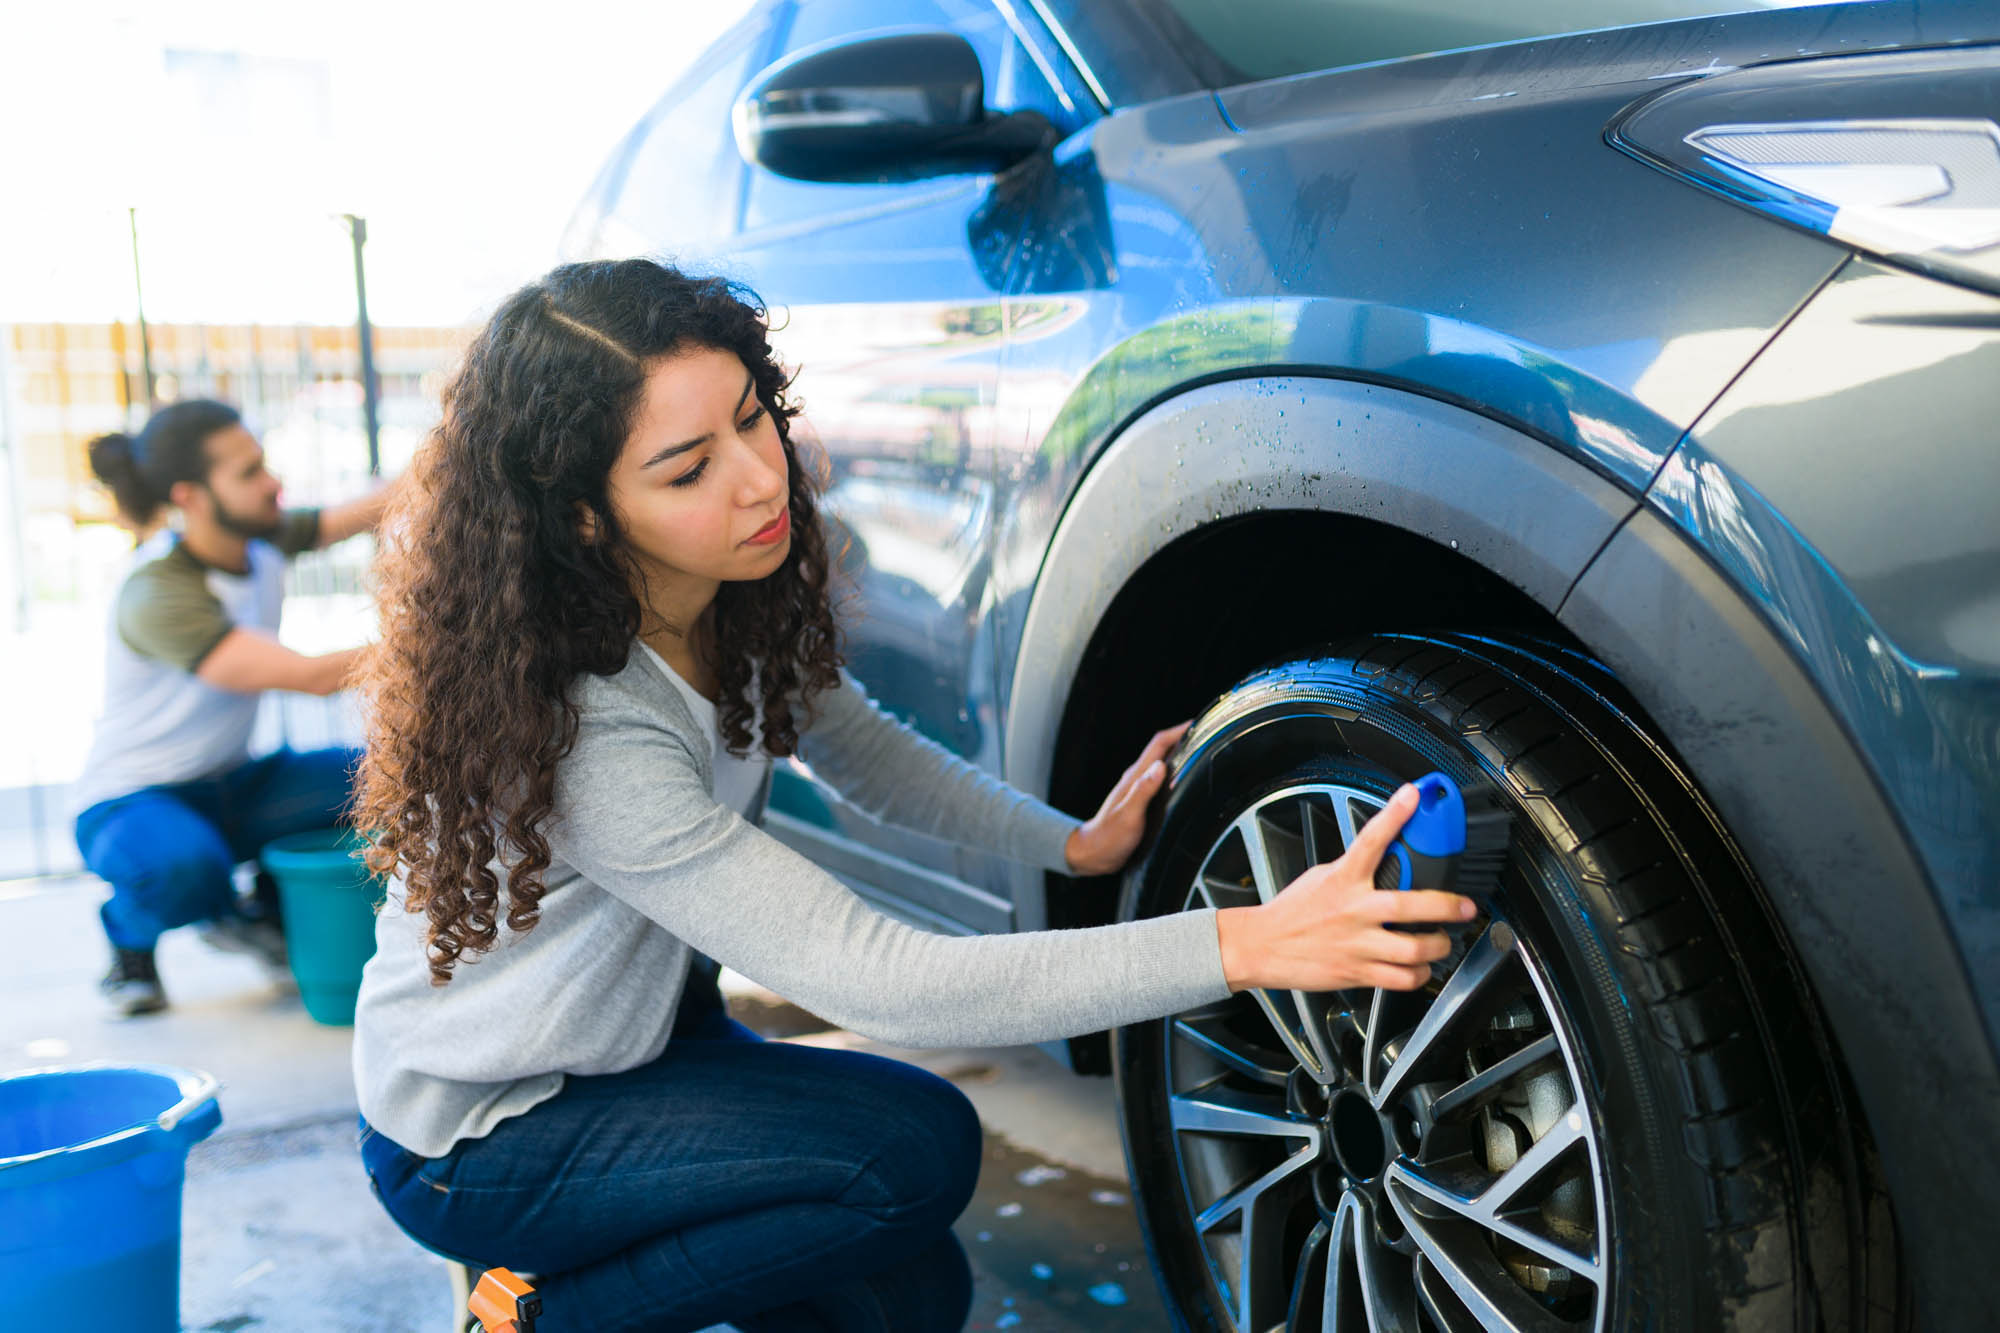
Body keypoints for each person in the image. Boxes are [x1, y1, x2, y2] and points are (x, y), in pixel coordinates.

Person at [349, 259, 1475, 1333]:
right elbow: (882, 980)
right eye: (686, 469)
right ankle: (538, 1311)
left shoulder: (721, 599)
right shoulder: (591, 719)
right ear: (585, 518)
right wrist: (1248, 942)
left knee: (903, 1299)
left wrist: (1072, 846)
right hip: (482, 1129)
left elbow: (870, 759)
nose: (758, 478)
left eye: (751, 418)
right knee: (911, 1149)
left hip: (642, 1047)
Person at [77, 400, 398, 1016]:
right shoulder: (156, 590)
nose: (273, 483)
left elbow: (364, 510)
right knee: (181, 868)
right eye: (249, 473)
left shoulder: (260, 542)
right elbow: (307, 677)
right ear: (191, 496)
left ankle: (267, 907)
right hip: (133, 800)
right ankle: (130, 941)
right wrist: (460, 643)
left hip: (236, 784)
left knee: (383, 776)